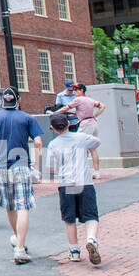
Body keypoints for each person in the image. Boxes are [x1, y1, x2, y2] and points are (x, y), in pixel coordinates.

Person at [0, 86, 43, 265]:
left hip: (2, 167)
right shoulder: (27, 118)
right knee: (23, 206)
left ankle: (19, 241)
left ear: (3, 101)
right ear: (18, 101)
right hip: (21, 165)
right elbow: (39, 143)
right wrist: (36, 165)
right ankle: (20, 248)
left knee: (10, 206)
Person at [46, 112, 103, 265]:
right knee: (91, 215)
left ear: (53, 128)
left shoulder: (53, 144)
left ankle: (74, 251)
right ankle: (91, 239)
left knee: (69, 218)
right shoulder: (81, 137)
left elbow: (51, 168)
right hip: (84, 182)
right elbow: (97, 142)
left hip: (66, 184)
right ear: (68, 124)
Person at [59, 83, 104, 178]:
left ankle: (81, 171)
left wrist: (54, 113)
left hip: (85, 124)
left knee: (78, 147)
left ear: (82, 90)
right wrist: (95, 115)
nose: (74, 91)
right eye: (74, 89)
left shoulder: (78, 99)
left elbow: (66, 107)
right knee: (92, 148)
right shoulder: (89, 99)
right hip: (93, 123)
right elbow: (102, 106)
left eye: (76, 89)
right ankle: (96, 172)